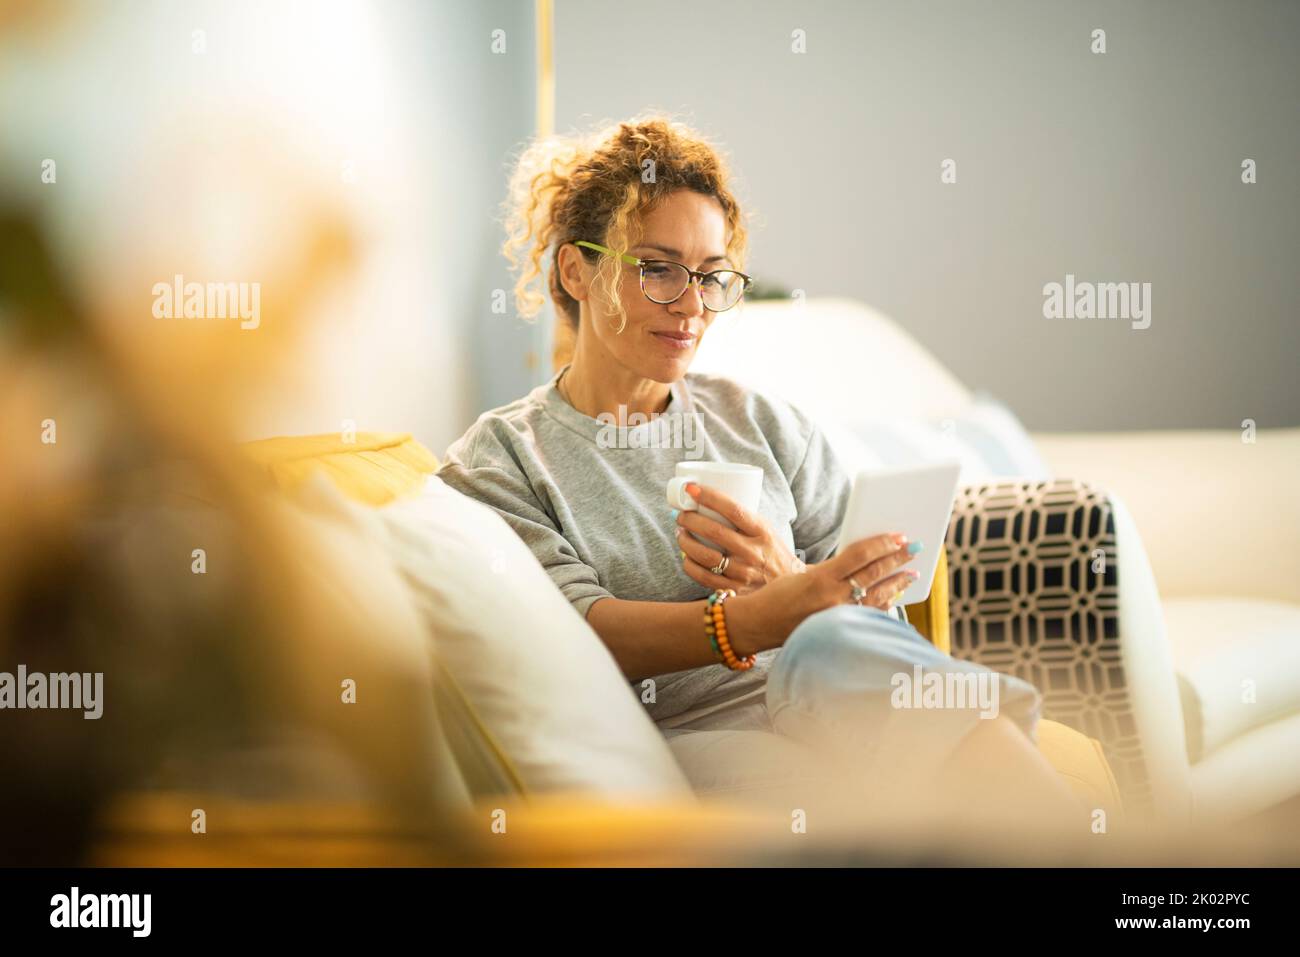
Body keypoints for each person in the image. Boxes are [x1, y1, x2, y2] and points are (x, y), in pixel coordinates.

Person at [436, 115, 1085, 834]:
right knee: (897, 792)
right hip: (696, 732)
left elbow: (881, 627)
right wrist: (761, 616)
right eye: (657, 269)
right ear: (574, 270)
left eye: (712, 277)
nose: (690, 304)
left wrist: (792, 586)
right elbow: (579, 630)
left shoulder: (763, 422)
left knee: (837, 650)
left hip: (840, 695)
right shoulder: (502, 459)